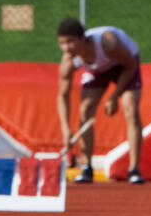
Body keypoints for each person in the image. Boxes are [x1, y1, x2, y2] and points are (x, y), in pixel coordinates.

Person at [56, 19, 145, 185]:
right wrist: (65, 128)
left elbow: (131, 66)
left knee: (130, 108)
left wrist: (114, 97)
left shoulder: (108, 43)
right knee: (85, 110)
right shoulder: (69, 60)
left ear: (83, 38)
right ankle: (87, 167)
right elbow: (62, 95)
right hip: (97, 70)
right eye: (62, 43)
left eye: (70, 42)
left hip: (124, 65)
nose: (66, 48)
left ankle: (134, 170)